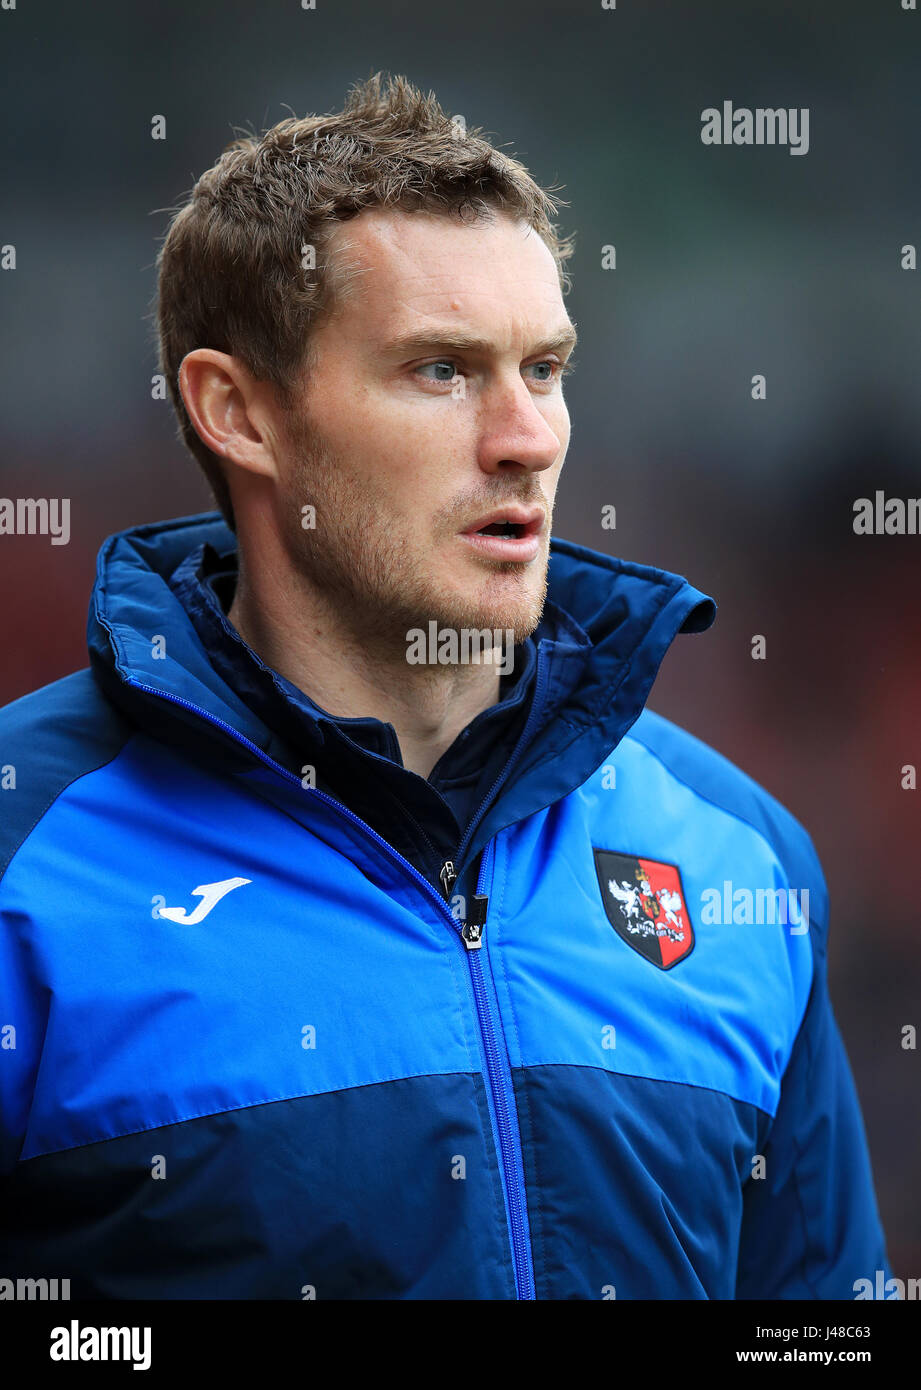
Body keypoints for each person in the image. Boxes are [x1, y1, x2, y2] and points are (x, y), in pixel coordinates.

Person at [0, 72, 892, 1300]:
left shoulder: (740, 857)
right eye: (442, 370)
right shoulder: (24, 857)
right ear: (237, 412)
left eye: (546, 366)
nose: (527, 435)